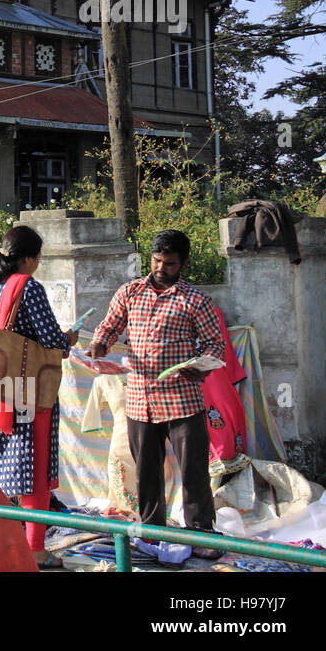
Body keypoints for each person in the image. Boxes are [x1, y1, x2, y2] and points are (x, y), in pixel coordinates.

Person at [89, 229, 224, 540]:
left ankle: (200, 533)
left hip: (183, 400)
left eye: (170, 264)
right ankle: (152, 533)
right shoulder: (130, 292)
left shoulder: (196, 300)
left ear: (184, 264)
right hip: (140, 399)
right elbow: (109, 325)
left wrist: (200, 367)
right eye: (156, 261)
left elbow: (215, 345)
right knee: (147, 475)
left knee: (194, 475)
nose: (161, 269)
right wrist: (99, 346)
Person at [0, 225, 76, 566]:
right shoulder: (27, 287)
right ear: (27, 258)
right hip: (30, 393)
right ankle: (35, 549)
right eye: (38, 258)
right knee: (34, 473)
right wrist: (69, 337)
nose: (37, 264)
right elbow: (52, 341)